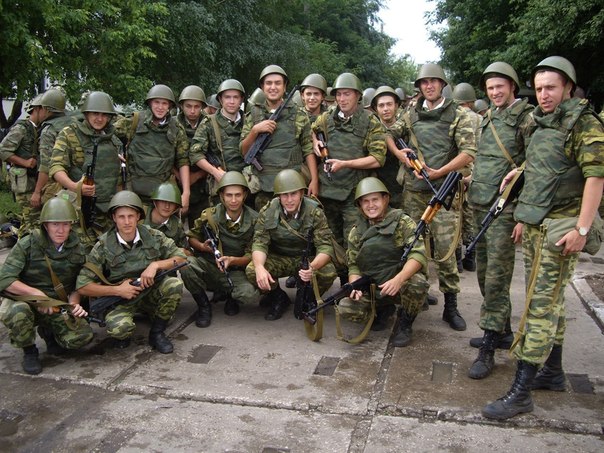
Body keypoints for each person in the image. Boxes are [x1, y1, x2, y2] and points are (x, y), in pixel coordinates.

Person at [482, 56, 604, 420]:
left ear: (568, 87)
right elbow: (544, 164)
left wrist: (582, 229)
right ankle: (552, 371)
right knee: (553, 303)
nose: (544, 94)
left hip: (563, 228)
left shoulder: (584, 124)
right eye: (538, 88)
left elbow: (596, 177)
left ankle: (521, 392)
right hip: (536, 223)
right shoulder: (538, 121)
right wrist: (518, 173)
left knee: (538, 307)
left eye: (551, 87)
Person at [388, 63, 477, 331]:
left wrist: (441, 171)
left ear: (442, 84)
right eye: (424, 82)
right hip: (414, 193)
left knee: (446, 251)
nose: (429, 86)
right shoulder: (410, 113)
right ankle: (416, 297)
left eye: (433, 81)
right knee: (413, 246)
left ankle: (451, 306)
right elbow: (389, 133)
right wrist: (400, 154)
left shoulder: (458, 114)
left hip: (444, 192)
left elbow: (468, 152)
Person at [466, 62, 534, 380]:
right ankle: (503, 330)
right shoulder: (488, 117)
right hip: (481, 205)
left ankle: (489, 348)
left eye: (500, 87)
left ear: (512, 87)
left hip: (506, 209)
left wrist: (522, 214)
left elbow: (536, 161)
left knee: (496, 279)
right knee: (483, 274)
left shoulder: (526, 117)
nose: (494, 92)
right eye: (490, 88)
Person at [76, 191, 186, 354]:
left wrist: (156, 265)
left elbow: (182, 258)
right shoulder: (103, 246)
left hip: (149, 292)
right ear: (114, 218)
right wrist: (118, 290)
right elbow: (83, 286)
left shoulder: (153, 236)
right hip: (121, 300)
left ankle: (157, 333)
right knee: (120, 329)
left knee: (174, 285)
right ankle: (129, 326)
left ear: (138, 217)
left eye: (131, 216)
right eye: (121, 217)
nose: (127, 222)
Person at [0, 198, 93, 374]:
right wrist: (36, 295)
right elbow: (5, 279)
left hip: (57, 305)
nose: (60, 230)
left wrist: (73, 304)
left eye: (65, 224)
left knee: (81, 337)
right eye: (55, 224)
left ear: (71, 225)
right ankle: (29, 351)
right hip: (25, 301)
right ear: (45, 225)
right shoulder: (28, 244)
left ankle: (49, 332)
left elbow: (80, 281)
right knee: (18, 313)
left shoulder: (77, 247)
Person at [344, 177, 429, 346]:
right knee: (346, 308)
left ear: (385, 199)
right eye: (365, 201)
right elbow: (353, 265)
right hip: (374, 285)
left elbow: (418, 255)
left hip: (399, 282)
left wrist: (399, 279)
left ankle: (405, 322)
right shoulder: (356, 232)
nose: (371, 205)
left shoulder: (402, 222)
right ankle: (382, 308)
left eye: (375, 199)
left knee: (417, 283)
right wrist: (354, 286)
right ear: (359, 205)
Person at [246, 169, 337, 321]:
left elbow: (325, 247)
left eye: (293, 194)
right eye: (284, 195)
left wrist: (312, 267)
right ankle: (278, 297)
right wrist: (260, 267)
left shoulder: (314, 212)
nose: (289, 200)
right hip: (280, 257)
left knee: (328, 272)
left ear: (301, 193)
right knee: (252, 270)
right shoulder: (268, 211)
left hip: (306, 259)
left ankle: (309, 297)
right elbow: (259, 243)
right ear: (278, 196)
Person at [312, 72, 387, 254]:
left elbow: (377, 159)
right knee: (328, 241)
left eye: (347, 94)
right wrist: (315, 142)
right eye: (338, 94)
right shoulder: (326, 118)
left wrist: (345, 163)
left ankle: (351, 271)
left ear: (357, 95)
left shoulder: (370, 121)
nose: (342, 99)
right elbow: (312, 130)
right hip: (327, 190)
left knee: (352, 242)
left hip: (353, 193)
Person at [182, 171, 260, 327]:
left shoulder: (255, 220)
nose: (233, 200)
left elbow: (253, 255)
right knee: (186, 265)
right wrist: (203, 247)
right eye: (229, 195)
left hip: (235, 270)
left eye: (238, 195)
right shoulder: (210, 216)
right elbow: (191, 237)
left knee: (250, 295)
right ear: (222, 196)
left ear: (244, 195)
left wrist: (232, 260)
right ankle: (203, 305)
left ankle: (231, 295)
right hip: (211, 265)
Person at [49, 91, 123, 247]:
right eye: (95, 113)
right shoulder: (69, 134)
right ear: (86, 113)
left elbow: (118, 178)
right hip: (79, 208)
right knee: (80, 251)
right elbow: (56, 167)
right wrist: (75, 187)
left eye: (104, 115)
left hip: (107, 210)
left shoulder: (113, 140)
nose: (99, 119)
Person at [240, 65, 317, 210]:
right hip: (264, 187)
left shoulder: (299, 114)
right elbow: (244, 152)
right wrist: (255, 131)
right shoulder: (253, 115)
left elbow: (308, 149)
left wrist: (314, 180)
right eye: (268, 83)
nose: (273, 87)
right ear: (262, 87)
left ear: (284, 86)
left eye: (278, 83)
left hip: (293, 187)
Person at [114, 84, 190, 211]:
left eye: (164, 103)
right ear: (150, 103)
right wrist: (117, 152)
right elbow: (108, 132)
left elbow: (183, 161)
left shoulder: (176, 129)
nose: (160, 107)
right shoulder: (135, 121)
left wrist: (186, 193)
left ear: (170, 106)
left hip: (163, 195)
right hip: (133, 191)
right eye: (156, 102)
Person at [190, 79, 247, 206]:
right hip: (220, 186)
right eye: (227, 97)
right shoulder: (209, 123)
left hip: (247, 185)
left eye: (235, 97)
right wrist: (215, 172)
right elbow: (195, 153)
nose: (231, 101)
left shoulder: (249, 121)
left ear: (241, 99)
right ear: (220, 99)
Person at [0, 93, 47, 234]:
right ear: (37, 109)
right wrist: (24, 162)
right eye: (46, 110)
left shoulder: (39, 128)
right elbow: (3, 150)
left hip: (34, 182)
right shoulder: (21, 128)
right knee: (32, 224)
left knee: (30, 223)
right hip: (25, 184)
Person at [452, 82, 483, 272]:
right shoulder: (479, 119)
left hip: (455, 172)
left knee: (455, 216)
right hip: (474, 172)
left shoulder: (453, 116)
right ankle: (470, 257)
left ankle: (456, 260)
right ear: (471, 101)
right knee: (470, 214)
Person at [176, 85, 208, 225]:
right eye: (188, 106)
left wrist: (197, 175)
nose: (193, 111)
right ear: (181, 106)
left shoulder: (209, 124)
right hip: (176, 183)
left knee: (201, 229)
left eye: (197, 106)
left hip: (203, 186)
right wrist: (180, 177)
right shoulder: (173, 124)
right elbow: (166, 155)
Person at [370, 86, 404, 208]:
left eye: (389, 104)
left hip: (404, 188)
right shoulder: (370, 130)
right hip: (378, 187)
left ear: (396, 106)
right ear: (376, 108)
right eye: (381, 105)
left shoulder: (407, 128)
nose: (385, 109)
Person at [144, 182, 188, 250]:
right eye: (163, 201)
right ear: (155, 202)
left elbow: (188, 251)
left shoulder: (177, 226)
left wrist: (181, 251)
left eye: (171, 203)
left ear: (176, 207)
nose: (167, 206)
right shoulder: (139, 216)